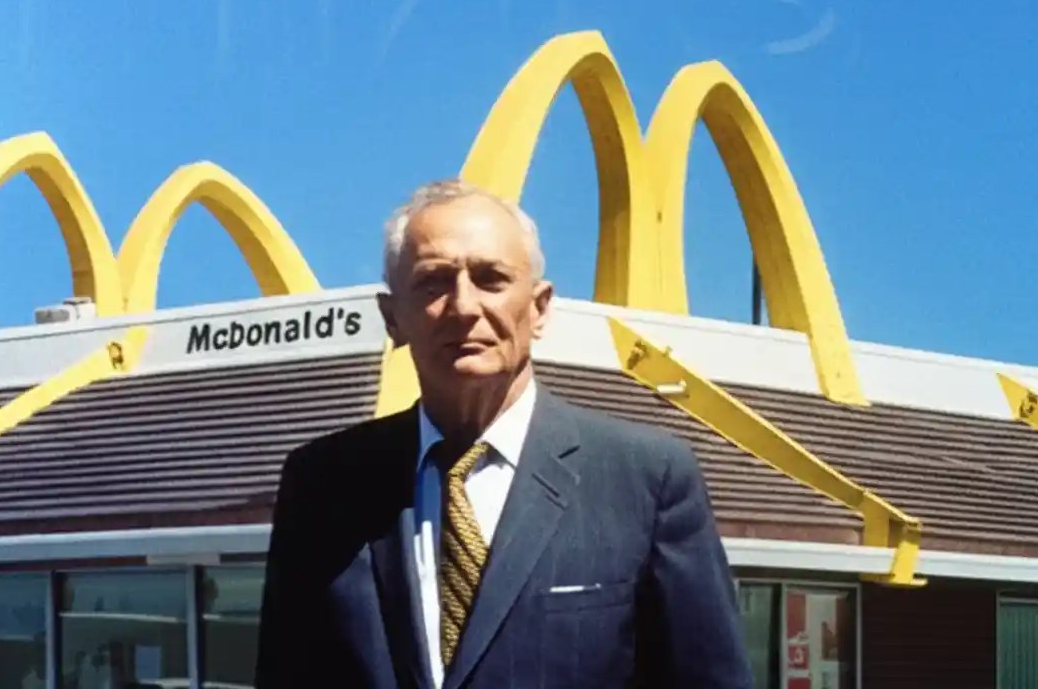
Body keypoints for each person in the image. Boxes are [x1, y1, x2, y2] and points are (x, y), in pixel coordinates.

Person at [255, 179, 753, 689]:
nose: (464, 307)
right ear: (392, 319)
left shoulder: (645, 481)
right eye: (433, 282)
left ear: (539, 309)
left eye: (491, 279)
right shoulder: (324, 483)